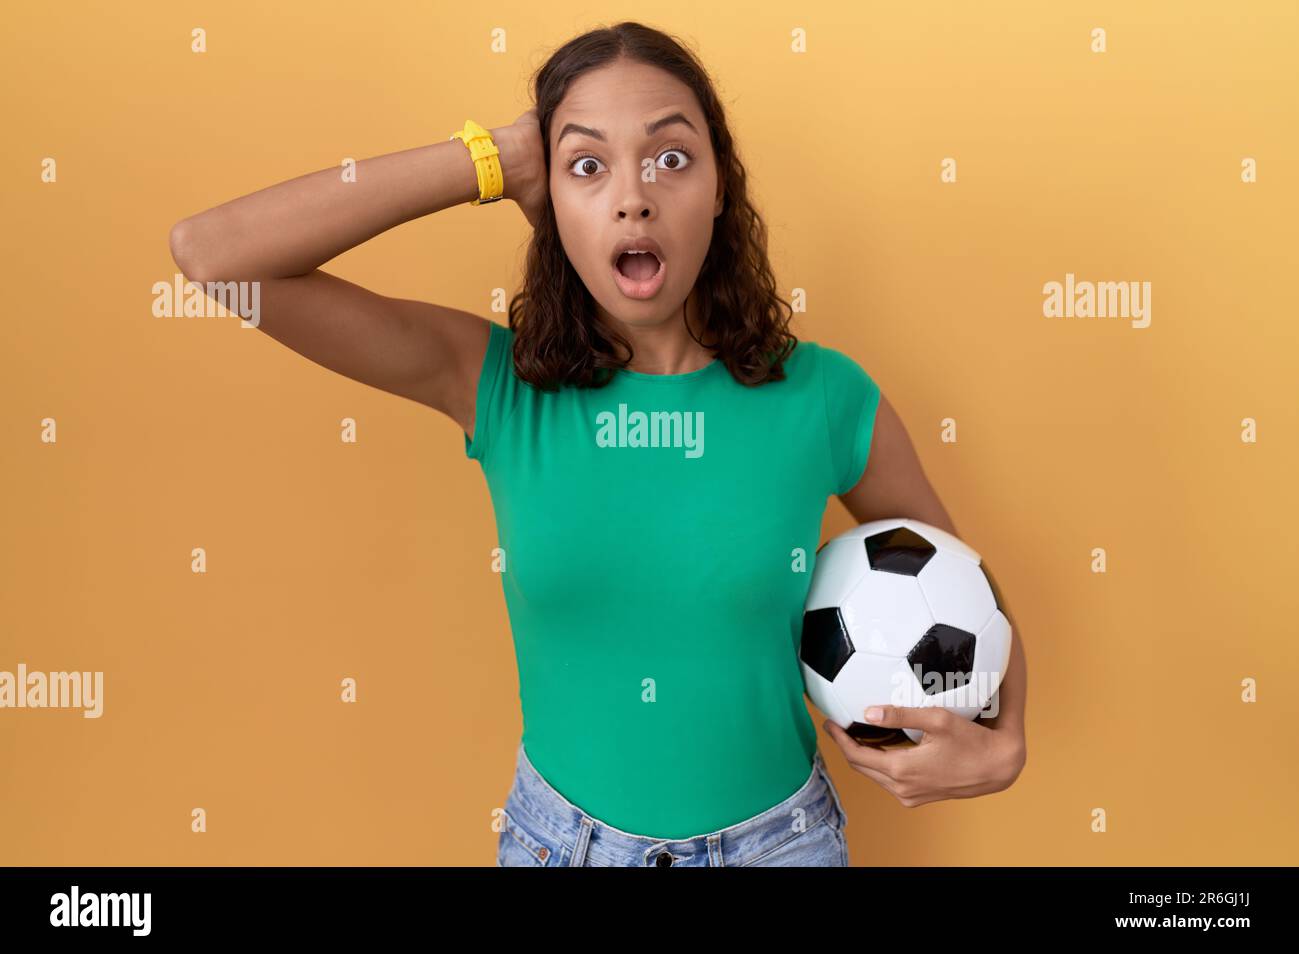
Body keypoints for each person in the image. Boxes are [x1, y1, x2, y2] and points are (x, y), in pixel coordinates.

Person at [168, 20, 1027, 867]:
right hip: (561, 846)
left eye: (672, 157)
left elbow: (967, 596)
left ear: (721, 186)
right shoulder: (495, 384)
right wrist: (495, 159)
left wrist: (1005, 742)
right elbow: (215, 256)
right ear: (552, 203)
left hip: (783, 848)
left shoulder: (828, 398)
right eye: (587, 164)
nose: (633, 194)